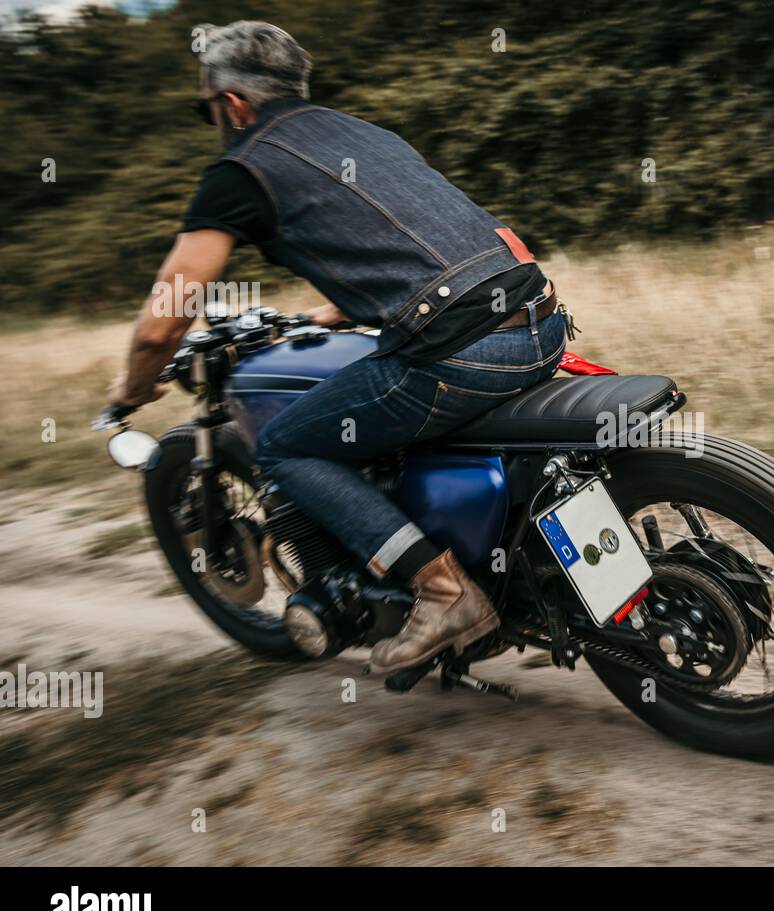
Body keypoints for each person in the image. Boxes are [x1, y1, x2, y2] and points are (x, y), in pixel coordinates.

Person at [108, 21, 570, 674]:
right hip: (543, 321)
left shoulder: (241, 170)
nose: (213, 121)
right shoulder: (367, 136)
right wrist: (323, 313)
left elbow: (163, 322)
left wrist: (133, 388)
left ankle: (444, 593)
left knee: (286, 446)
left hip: (464, 355)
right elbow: (411, 244)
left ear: (233, 104)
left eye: (206, 108)